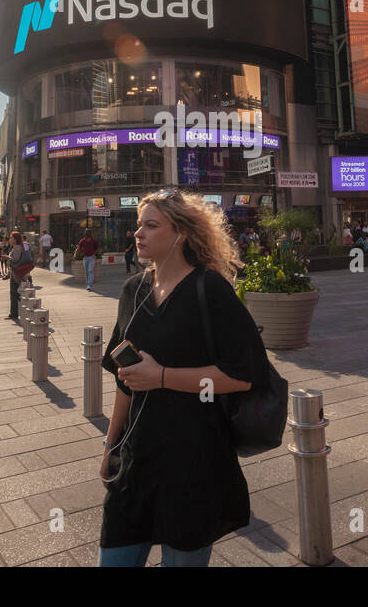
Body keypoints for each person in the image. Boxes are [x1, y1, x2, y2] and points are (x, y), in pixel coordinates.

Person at [98, 188, 269, 567]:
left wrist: (162, 376)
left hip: (192, 461)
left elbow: (240, 376)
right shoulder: (132, 291)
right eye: (138, 225)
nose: (138, 234)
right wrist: (110, 444)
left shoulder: (211, 290)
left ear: (181, 234)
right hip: (136, 459)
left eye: (151, 225)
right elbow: (125, 380)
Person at [6, 231, 31, 320]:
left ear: (15, 239)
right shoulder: (18, 247)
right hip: (17, 274)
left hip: (17, 275)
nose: (9, 239)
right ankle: (15, 313)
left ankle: (14, 314)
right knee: (19, 294)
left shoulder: (17, 248)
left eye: (11, 237)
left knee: (14, 294)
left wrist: (7, 258)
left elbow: (15, 259)